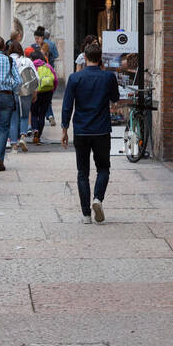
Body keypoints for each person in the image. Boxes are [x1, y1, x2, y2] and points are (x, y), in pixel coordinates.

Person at [60, 41, 122, 224]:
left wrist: (64, 129)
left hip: (81, 130)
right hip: (101, 130)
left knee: (82, 172)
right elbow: (115, 98)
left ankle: (86, 214)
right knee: (103, 168)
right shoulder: (108, 77)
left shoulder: (75, 78)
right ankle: (97, 199)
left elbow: (67, 106)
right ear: (100, 59)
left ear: (85, 58)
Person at [0, 36, 21, 171]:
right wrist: (11, 90)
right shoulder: (9, 60)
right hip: (6, 96)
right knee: (4, 128)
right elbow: (18, 80)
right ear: (4, 48)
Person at [8, 39, 35, 152]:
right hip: (25, 91)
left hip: (12, 91)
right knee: (24, 116)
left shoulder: (7, 60)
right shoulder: (27, 60)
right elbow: (35, 77)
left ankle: (14, 144)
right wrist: (34, 92)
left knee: (13, 118)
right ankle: (23, 136)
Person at [30, 42, 57, 144]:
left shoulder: (32, 66)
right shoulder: (48, 66)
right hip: (47, 92)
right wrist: (52, 90)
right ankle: (38, 136)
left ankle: (35, 130)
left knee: (34, 113)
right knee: (42, 115)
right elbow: (55, 80)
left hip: (35, 92)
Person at [33, 26, 59, 124]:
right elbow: (56, 55)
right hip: (47, 71)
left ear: (42, 37)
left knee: (43, 96)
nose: (36, 40)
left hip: (42, 72)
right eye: (35, 38)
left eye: (37, 38)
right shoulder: (47, 45)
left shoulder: (41, 46)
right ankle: (49, 115)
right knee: (45, 96)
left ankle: (45, 117)